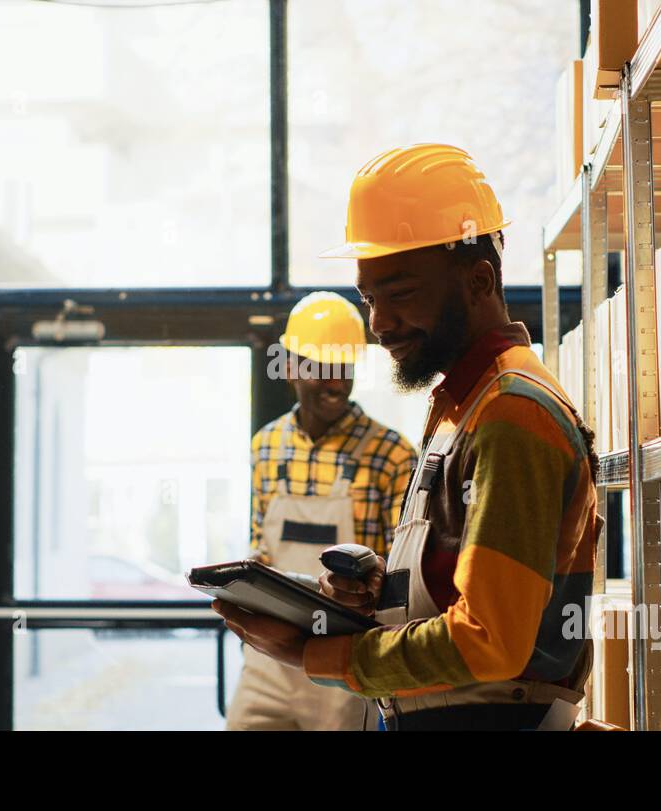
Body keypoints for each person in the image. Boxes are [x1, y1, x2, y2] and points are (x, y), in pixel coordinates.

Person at [214, 144, 603, 731]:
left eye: (399, 293)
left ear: (479, 280)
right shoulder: (462, 409)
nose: (378, 323)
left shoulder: (513, 414)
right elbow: (461, 592)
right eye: (370, 298)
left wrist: (309, 652)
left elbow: (489, 642)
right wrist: (381, 595)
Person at [224, 290, 417, 731]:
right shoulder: (266, 447)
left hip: (344, 663)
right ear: (290, 367)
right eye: (321, 369)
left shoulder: (391, 455)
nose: (335, 383)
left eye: (343, 369)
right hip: (268, 660)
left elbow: (404, 580)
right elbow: (262, 545)